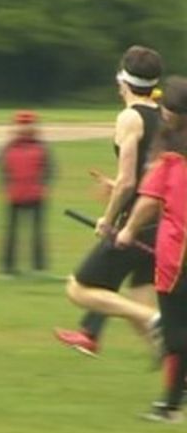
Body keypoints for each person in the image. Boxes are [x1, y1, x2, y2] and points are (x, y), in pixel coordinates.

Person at [54, 46, 163, 357]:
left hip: (135, 223)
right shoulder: (162, 116)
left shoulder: (130, 117)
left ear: (122, 80)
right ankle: (179, 376)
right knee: (139, 298)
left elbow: (128, 180)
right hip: (161, 221)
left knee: (79, 289)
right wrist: (116, 186)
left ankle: (157, 319)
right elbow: (150, 176)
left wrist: (108, 218)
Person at [115, 76, 187, 422]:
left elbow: (149, 200)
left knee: (174, 331)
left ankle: (171, 405)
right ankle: (171, 402)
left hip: (178, 253)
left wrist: (127, 230)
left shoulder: (172, 155)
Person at [0, 111, 54, 277]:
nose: (24, 128)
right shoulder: (8, 147)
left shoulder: (42, 147)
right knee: (11, 233)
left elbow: (49, 169)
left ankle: (39, 267)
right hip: (14, 195)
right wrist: (6, 187)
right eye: (21, 125)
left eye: (28, 125)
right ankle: (8, 268)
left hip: (36, 195)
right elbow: (3, 170)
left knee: (38, 233)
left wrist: (44, 187)